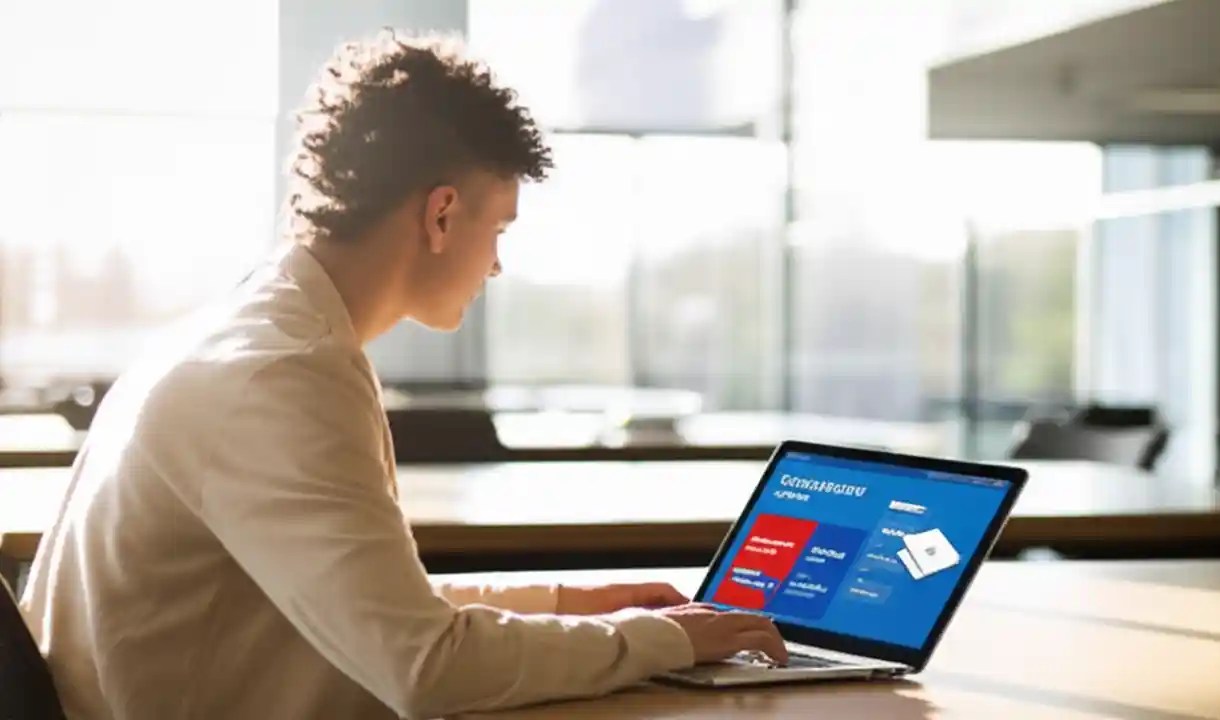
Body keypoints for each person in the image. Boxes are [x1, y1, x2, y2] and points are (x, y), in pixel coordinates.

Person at [20, 30, 787, 719]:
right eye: (499, 228)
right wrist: (665, 642)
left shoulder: (244, 334)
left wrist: (572, 604)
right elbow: (425, 668)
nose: (497, 264)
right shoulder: (283, 377)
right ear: (441, 215)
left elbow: (375, 608)